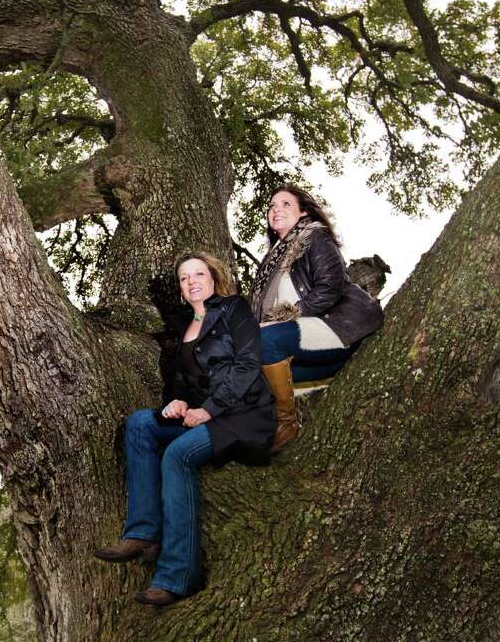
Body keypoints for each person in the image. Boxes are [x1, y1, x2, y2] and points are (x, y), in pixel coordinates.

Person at [94, 252, 275, 607]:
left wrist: (209, 410)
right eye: (184, 278)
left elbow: (248, 364)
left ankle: (179, 576)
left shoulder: (234, 308)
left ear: (213, 278)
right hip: (204, 416)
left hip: (244, 416)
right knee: (141, 423)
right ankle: (143, 532)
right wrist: (176, 402)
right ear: (180, 288)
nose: (191, 281)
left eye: (198, 274)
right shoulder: (183, 329)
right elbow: (181, 383)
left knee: (177, 456)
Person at [250, 185, 384, 452]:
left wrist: (283, 321)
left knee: (265, 339)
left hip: (334, 329)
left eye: (286, 204)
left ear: (303, 213)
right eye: (272, 205)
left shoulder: (315, 237)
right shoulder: (270, 263)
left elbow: (330, 287)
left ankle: (286, 424)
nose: (276, 209)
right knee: (249, 374)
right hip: (300, 352)